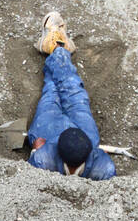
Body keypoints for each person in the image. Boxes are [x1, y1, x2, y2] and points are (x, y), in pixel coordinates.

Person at [27, 12, 116, 180]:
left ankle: (55, 48)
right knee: (73, 90)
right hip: (86, 135)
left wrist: (35, 150)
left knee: (52, 90)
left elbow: (30, 173)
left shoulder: (43, 159)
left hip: (49, 132)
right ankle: (59, 49)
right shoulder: (104, 168)